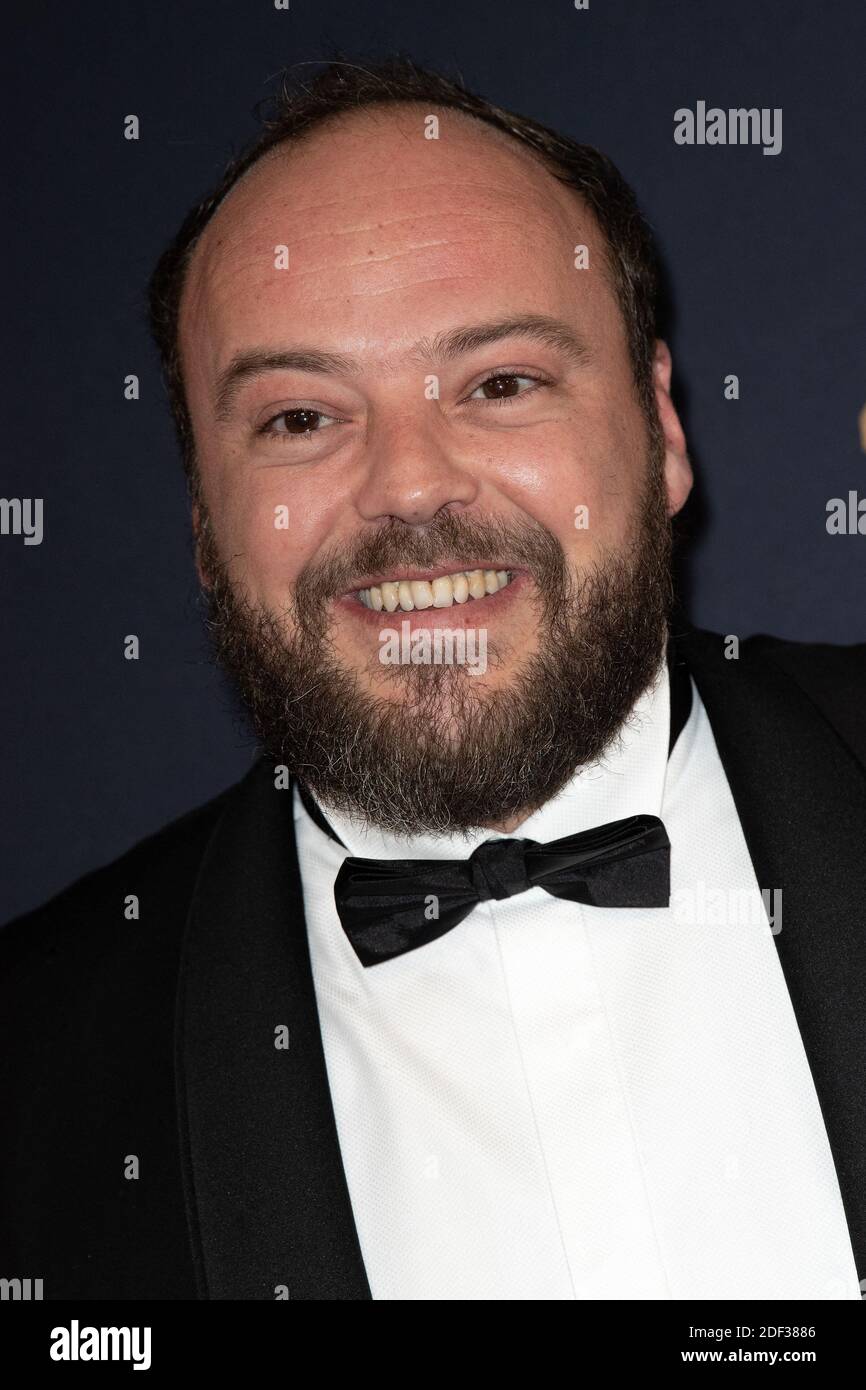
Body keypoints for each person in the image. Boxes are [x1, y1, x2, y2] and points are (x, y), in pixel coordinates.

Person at [2, 57, 864, 1302]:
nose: (408, 486)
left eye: (500, 384)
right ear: (202, 521)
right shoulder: (34, 1075)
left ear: (662, 432)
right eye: (300, 418)